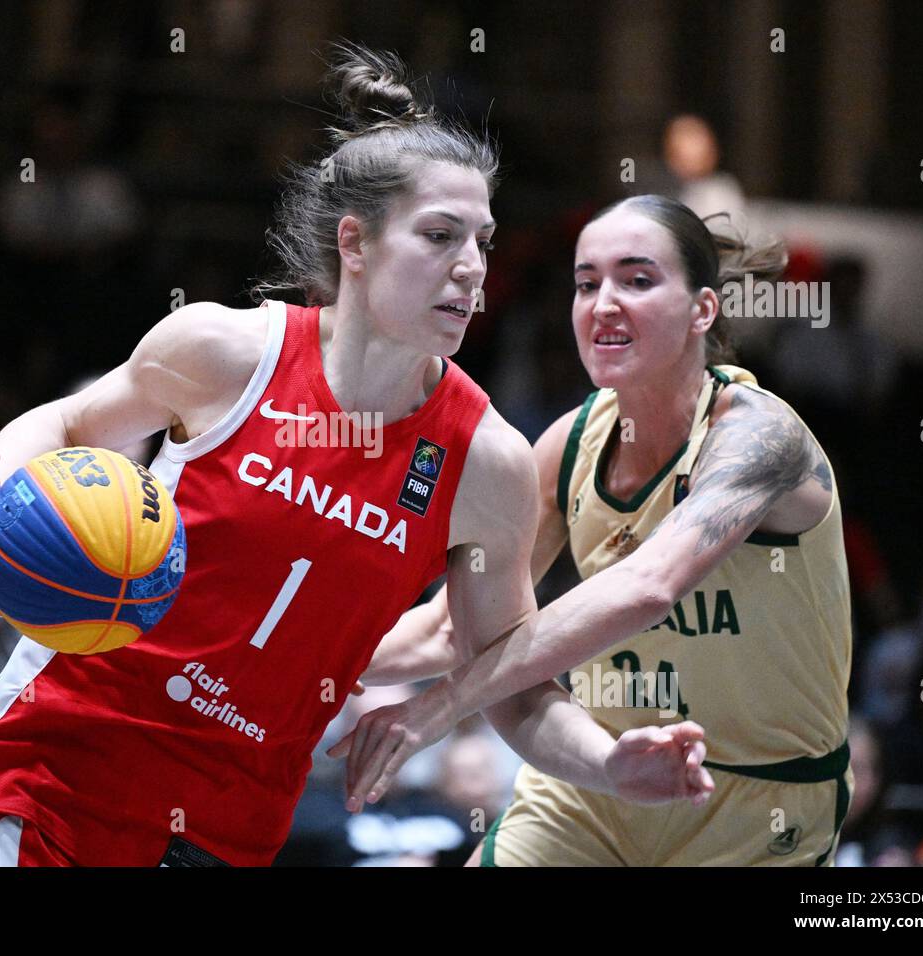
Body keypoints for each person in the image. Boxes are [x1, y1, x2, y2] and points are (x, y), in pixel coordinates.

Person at [0, 46, 712, 868]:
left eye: (483, 240)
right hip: (51, 778)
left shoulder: (485, 462)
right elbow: (66, 423)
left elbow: (504, 677)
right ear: (356, 244)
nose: (472, 267)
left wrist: (609, 764)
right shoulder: (221, 352)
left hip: (225, 837)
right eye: (440, 236)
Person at [339, 194, 853, 866]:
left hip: (761, 806)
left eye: (638, 280)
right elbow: (447, 627)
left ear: (703, 310)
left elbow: (648, 585)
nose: (603, 302)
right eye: (587, 283)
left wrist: (438, 709)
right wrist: (303, 656)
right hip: (598, 778)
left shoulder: (761, 435)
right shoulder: (570, 442)